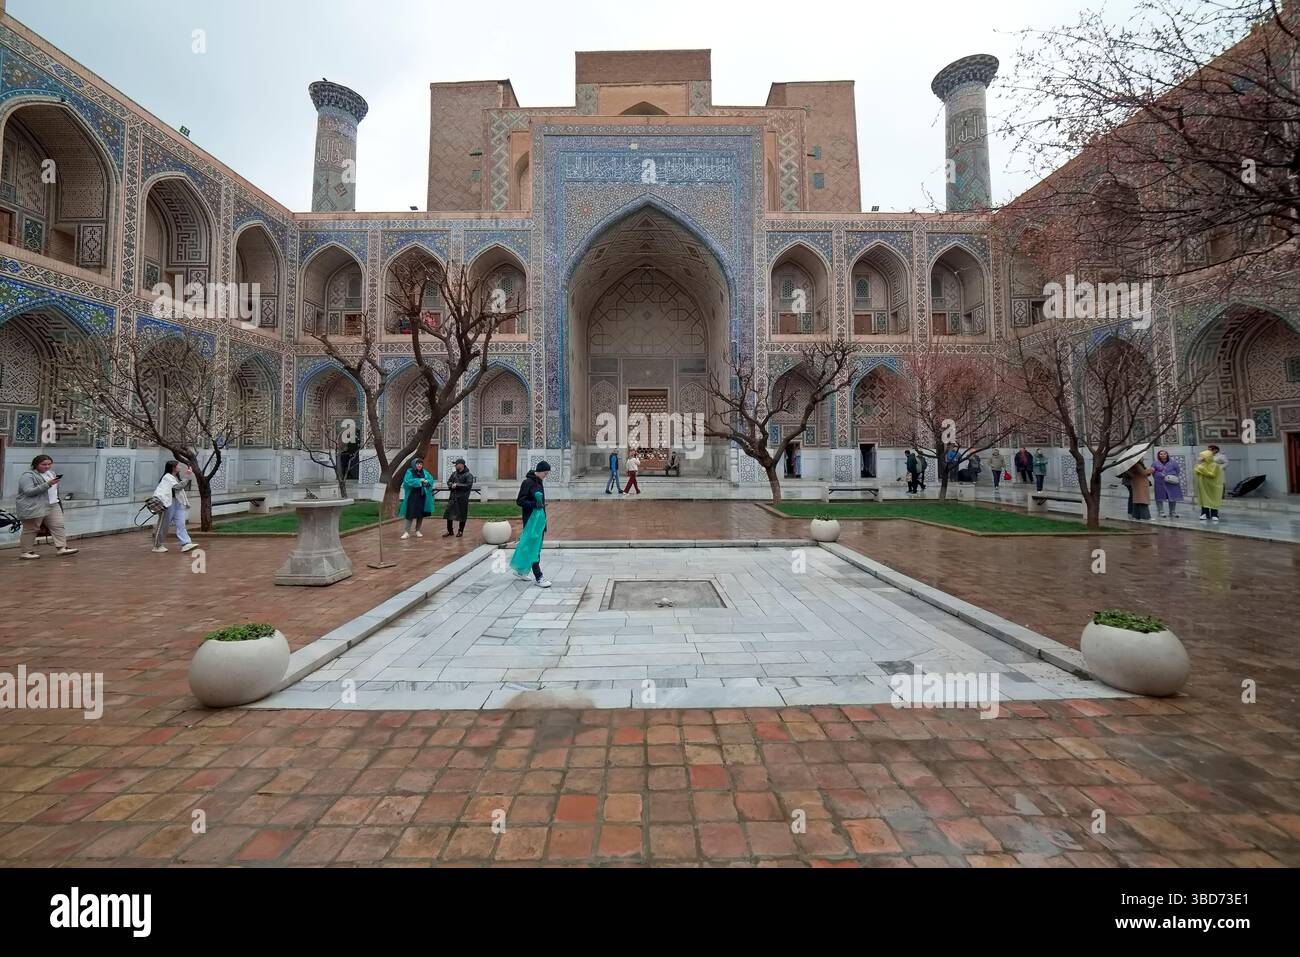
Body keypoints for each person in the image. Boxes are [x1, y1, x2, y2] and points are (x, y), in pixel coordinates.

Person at [15, 454, 78, 560]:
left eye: (49, 464)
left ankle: (62, 547)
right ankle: (26, 552)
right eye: (44, 464)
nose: (47, 466)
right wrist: (48, 484)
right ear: (36, 464)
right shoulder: (28, 476)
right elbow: (28, 491)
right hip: (34, 506)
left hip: (53, 504)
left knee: (58, 526)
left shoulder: (51, 473)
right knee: (31, 529)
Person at [511, 461, 552, 587]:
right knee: (534, 550)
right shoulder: (527, 482)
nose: (546, 475)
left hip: (539, 521)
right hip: (531, 522)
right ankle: (539, 577)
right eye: (545, 473)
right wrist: (534, 504)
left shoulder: (539, 482)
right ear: (539, 471)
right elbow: (520, 501)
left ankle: (520, 570)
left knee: (528, 547)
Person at [151, 460, 197, 553]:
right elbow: (178, 487)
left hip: (178, 502)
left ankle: (186, 543)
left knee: (181, 523)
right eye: (178, 466)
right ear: (173, 467)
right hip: (168, 503)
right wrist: (187, 476)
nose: (179, 467)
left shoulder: (175, 477)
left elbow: (180, 488)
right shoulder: (167, 477)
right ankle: (157, 545)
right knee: (163, 525)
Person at [400, 457, 433, 539]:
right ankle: (407, 532)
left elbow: (431, 480)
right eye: (418, 464)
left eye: (421, 464)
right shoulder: (409, 471)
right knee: (410, 513)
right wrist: (419, 481)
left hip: (422, 496)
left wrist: (427, 481)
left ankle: (417, 530)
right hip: (412, 495)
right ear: (414, 464)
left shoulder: (425, 472)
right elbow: (407, 481)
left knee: (420, 514)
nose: (419, 465)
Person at [443, 457, 474, 538]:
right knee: (449, 514)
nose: (455, 466)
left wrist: (457, 485)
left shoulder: (468, 475)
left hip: (462, 498)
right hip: (453, 497)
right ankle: (450, 531)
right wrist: (451, 485)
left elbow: (468, 485)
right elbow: (449, 481)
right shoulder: (454, 474)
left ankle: (460, 531)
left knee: (462, 515)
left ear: (461, 465)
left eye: (456, 464)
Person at [1194, 448, 1225, 522]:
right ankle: (1204, 513)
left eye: (1203, 456)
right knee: (1204, 499)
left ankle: (1214, 514)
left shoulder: (1215, 465)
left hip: (1213, 486)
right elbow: (1197, 472)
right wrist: (1199, 469)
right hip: (1203, 485)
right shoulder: (1201, 465)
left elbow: (1212, 475)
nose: (1201, 458)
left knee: (1213, 499)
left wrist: (1202, 470)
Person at [1152, 450, 1182, 519]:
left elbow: (1177, 470)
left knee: (1172, 497)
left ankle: (1172, 512)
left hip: (1171, 482)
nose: (1163, 455)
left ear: (1167, 455)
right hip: (1160, 483)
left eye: (1164, 454)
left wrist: (1171, 476)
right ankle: (1161, 511)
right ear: (1158, 455)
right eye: (1161, 454)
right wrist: (1159, 476)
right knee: (1159, 497)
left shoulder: (1173, 463)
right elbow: (1153, 473)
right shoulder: (1155, 463)